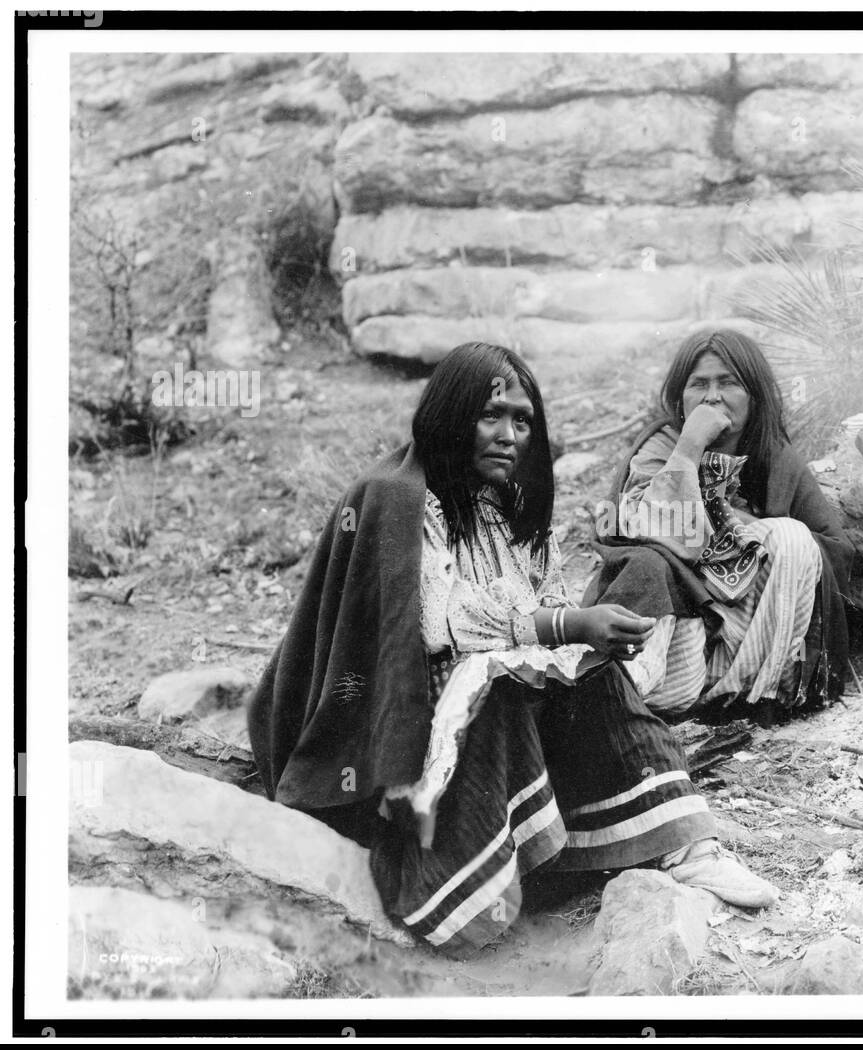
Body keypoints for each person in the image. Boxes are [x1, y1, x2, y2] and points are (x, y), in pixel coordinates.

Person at [248, 342, 778, 954]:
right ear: (450, 415)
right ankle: (478, 868)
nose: (508, 435)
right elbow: (439, 624)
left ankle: (685, 845)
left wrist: (581, 640)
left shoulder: (503, 506)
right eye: (490, 415)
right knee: (493, 687)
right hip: (385, 732)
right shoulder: (395, 497)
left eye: (522, 421)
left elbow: (540, 601)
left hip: (473, 698)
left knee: (593, 676)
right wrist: (566, 626)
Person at [585, 328, 853, 722]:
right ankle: (625, 701)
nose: (712, 396)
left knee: (793, 538)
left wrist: (748, 531)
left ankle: (752, 696)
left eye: (727, 383)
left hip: (745, 639)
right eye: (699, 385)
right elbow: (645, 532)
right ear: (680, 397)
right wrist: (690, 447)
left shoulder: (774, 458)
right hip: (680, 624)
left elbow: (835, 550)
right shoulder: (660, 448)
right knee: (655, 560)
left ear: (753, 396)